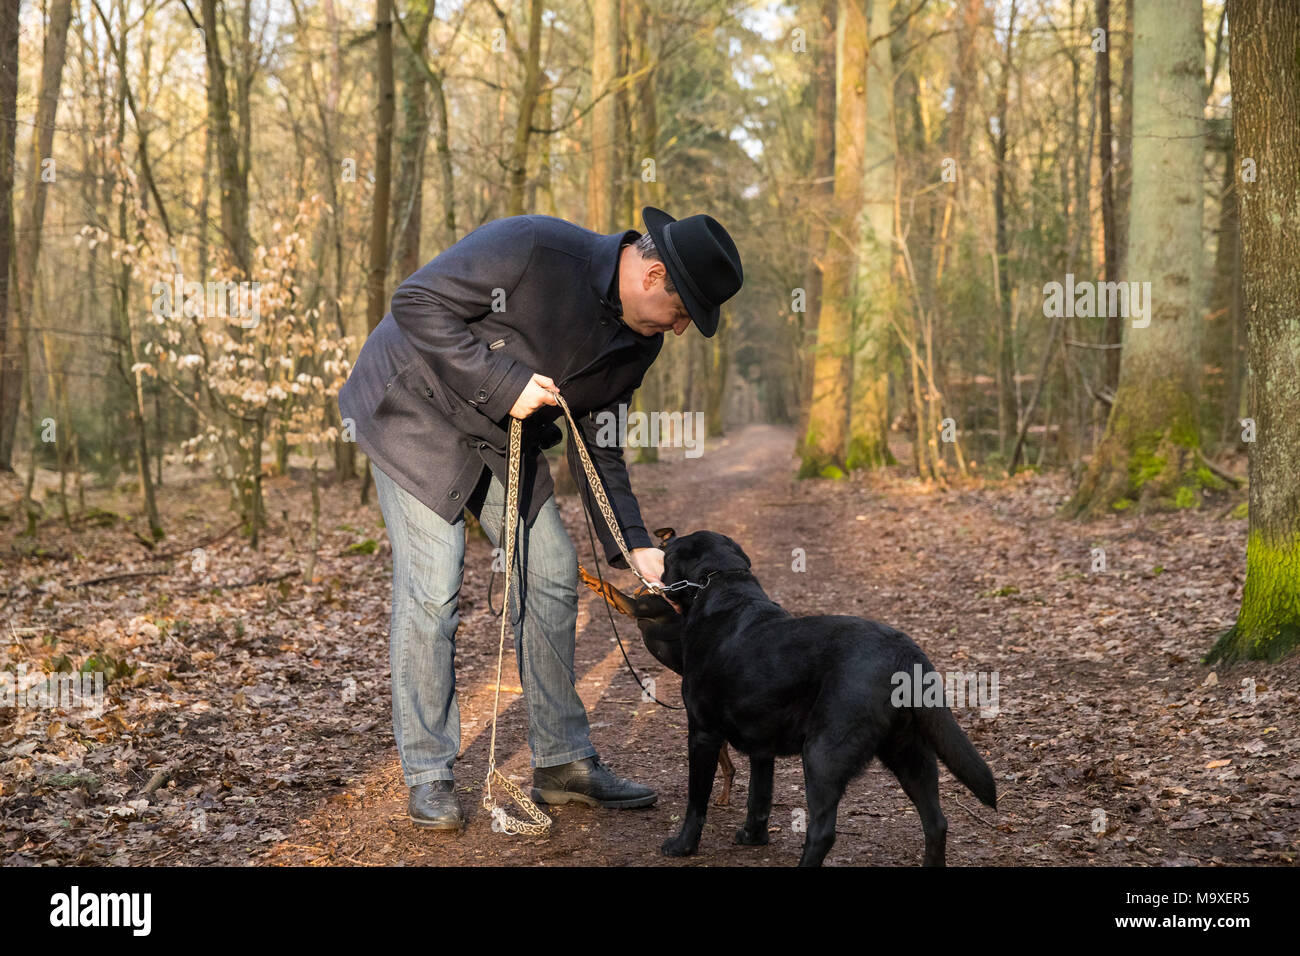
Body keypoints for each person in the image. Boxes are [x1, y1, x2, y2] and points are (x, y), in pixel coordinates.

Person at [337, 206, 743, 830]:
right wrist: (503, 383)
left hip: (503, 441)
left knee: (552, 573)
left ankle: (561, 763)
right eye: (683, 312)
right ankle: (429, 774)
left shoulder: (641, 344)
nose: (681, 330)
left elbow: (598, 441)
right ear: (653, 274)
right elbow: (415, 302)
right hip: (410, 414)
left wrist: (634, 546)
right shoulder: (533, 247)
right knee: (435, 591)